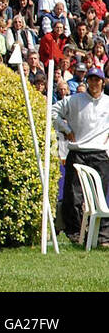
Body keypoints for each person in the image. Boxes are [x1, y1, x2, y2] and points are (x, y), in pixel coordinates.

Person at [53, 67, 109, 246]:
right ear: (87, 82)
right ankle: (76, 233)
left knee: (102, 197)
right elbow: (53, 111)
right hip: (77, 153)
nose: (94, 83)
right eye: (91, 80)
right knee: (74, 195)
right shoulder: (74, 100)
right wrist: (66, 129)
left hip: (100, 154)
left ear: (103, 82)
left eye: (97, 80)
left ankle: (103, 236)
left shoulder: (108, 102)